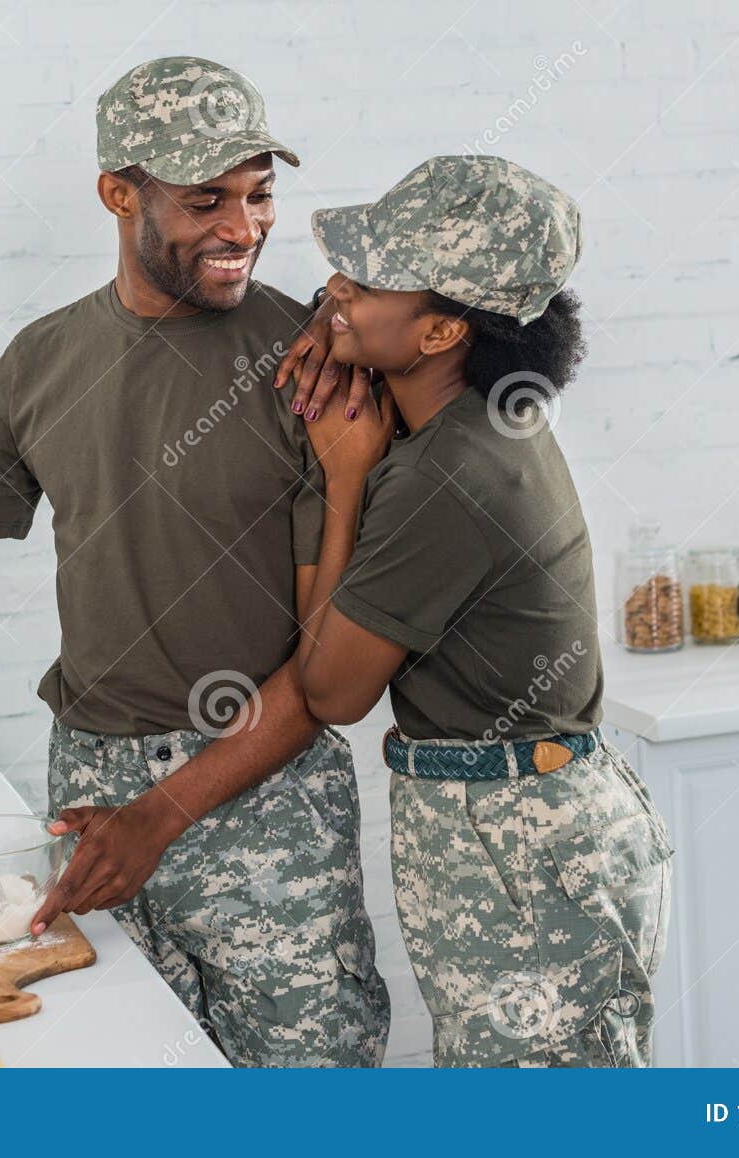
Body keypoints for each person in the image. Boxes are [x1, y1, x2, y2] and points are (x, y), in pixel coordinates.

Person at [0, 56, 389, 1067]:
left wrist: (164, 812)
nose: (241, 228)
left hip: (264, 798)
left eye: (256, 196)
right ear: (120, 194)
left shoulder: (313, 364)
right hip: (93, 794)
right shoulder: (42, 361)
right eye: (205, 200)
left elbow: (329, 664)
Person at [291, 155, 672, 1067]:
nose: (334, 289)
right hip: (517, 822)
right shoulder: (479, 419)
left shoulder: (449, 476)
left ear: (443, 332)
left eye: (368, 280)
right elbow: (362, 311)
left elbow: (332, 690)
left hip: (519, 843)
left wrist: (344, 480)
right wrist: (340, 322)